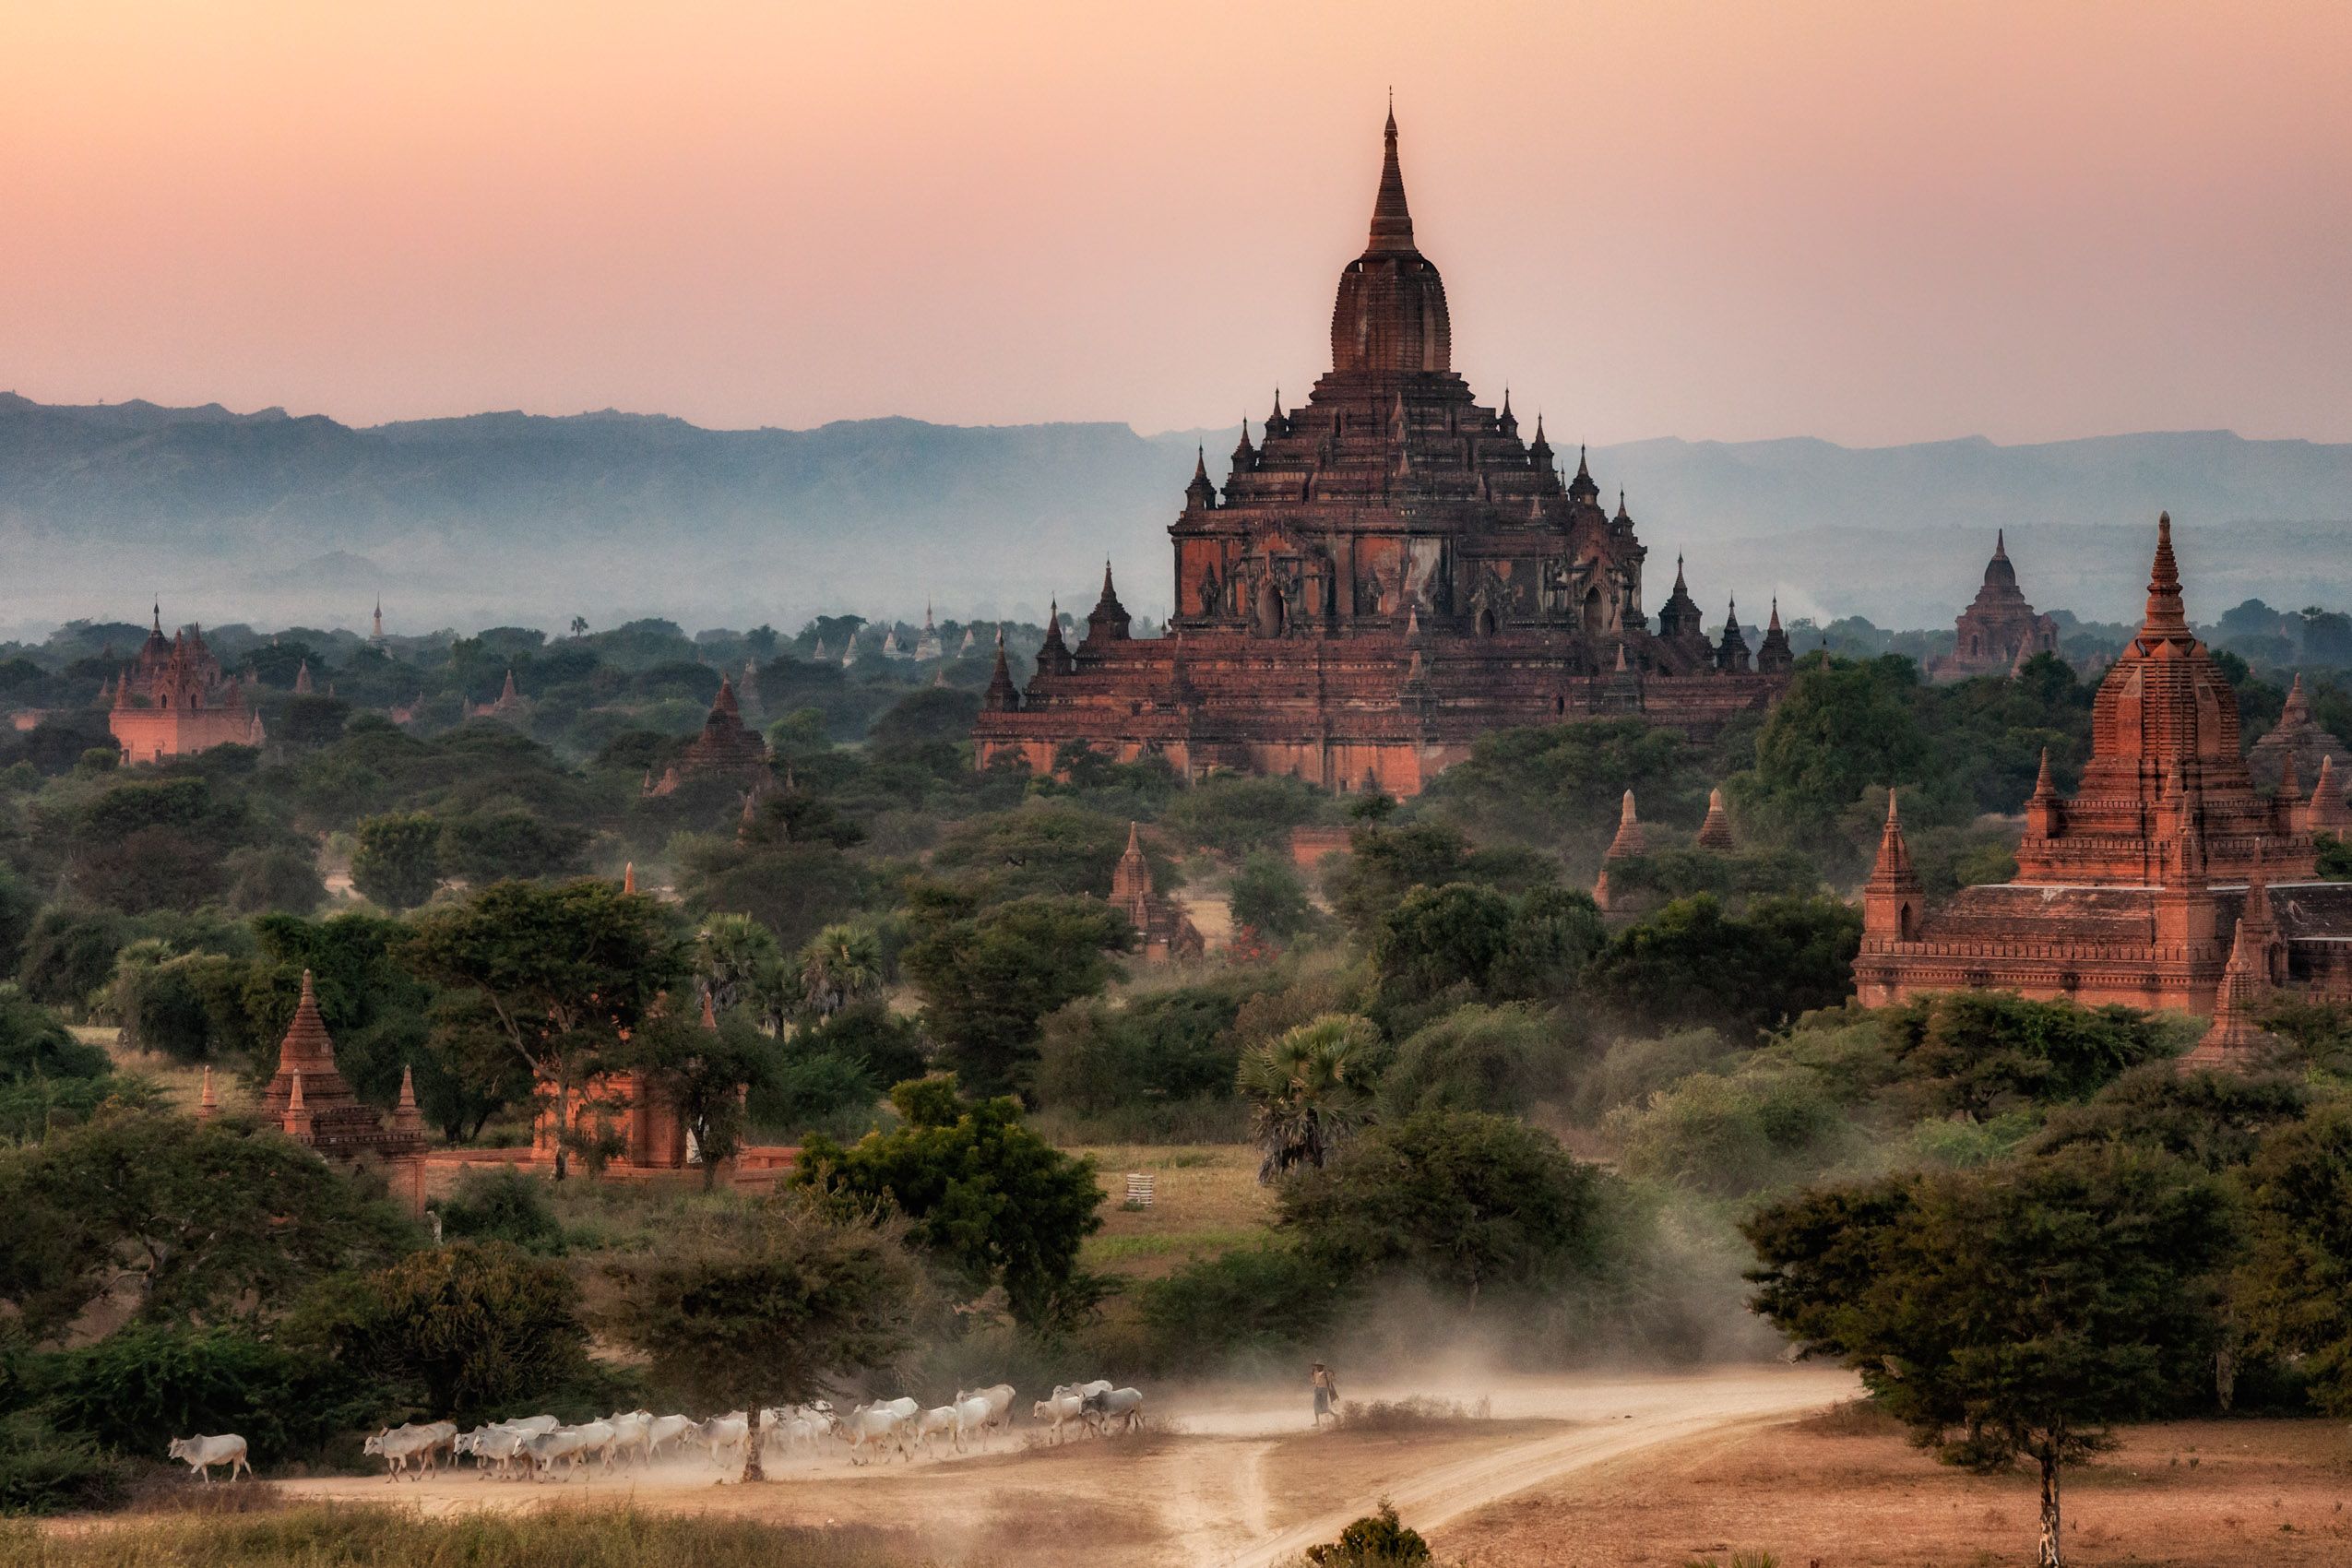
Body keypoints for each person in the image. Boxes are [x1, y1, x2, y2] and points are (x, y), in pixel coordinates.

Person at [1311, 1361, 1337, 1428]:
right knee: (1315, 1406)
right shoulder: (1315, 1373)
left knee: (1324, 1407)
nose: (1317, 1367)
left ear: (1322, 1367)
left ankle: (1335, 1416)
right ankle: (1317, 1422)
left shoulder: (1326, 1374)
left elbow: (1332, 1380)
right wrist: (1312, 1375)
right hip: (1317, 1389)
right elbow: (1314, 1382)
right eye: (1317, 1366)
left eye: (1318, 1366)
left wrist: (1333, 1374)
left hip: (1323, 1390)